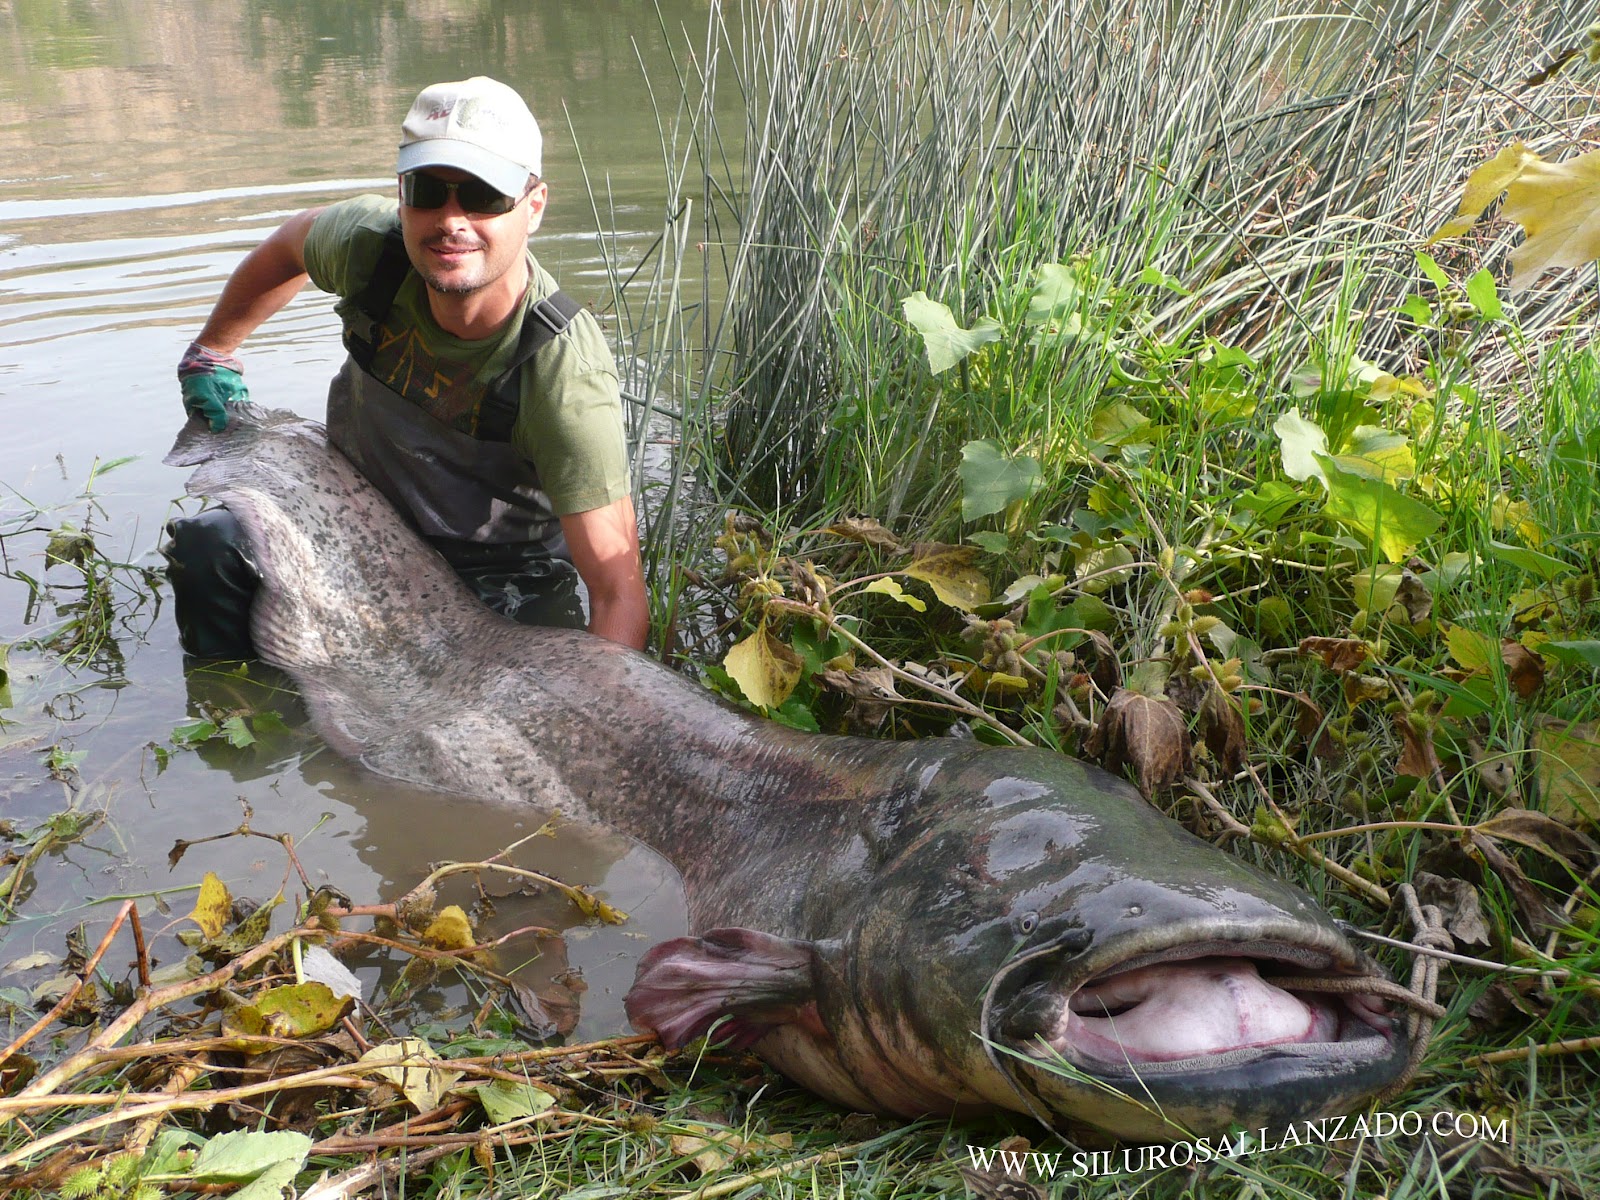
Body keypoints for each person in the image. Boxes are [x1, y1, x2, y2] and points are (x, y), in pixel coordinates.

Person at [165, 76, 649, 656]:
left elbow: (617, 592)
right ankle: (237, 714)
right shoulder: (372, 246)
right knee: (208, 550)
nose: (451, 220)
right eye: (428, 191)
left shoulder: (563, 376)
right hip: (354, 513)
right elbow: (290, 246)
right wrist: (211, 354)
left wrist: (599, 723)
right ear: (402, 193)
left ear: (533, 206)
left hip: (494, 572)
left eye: (483, 196)